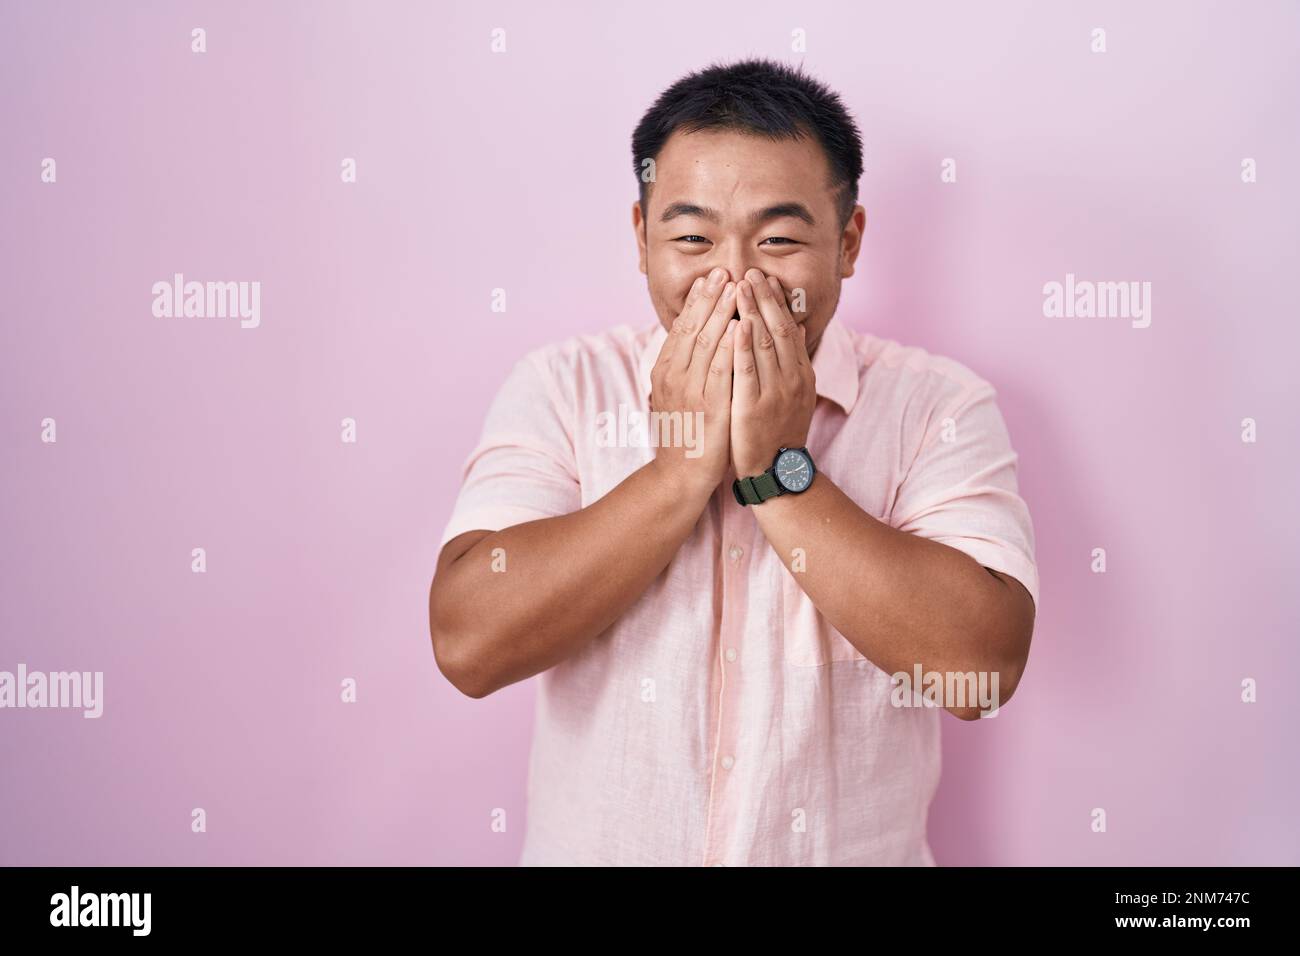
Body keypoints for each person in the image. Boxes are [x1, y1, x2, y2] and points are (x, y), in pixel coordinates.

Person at [428, 58, 1038, 866]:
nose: (735, 278)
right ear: (642, 240)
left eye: (780, 239)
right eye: (691, 238)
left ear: (848, 243)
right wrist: (679, 471)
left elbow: (982, 667)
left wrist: (779, 469)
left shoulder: (941, 407)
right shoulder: (563, 388)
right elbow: (469, 644)